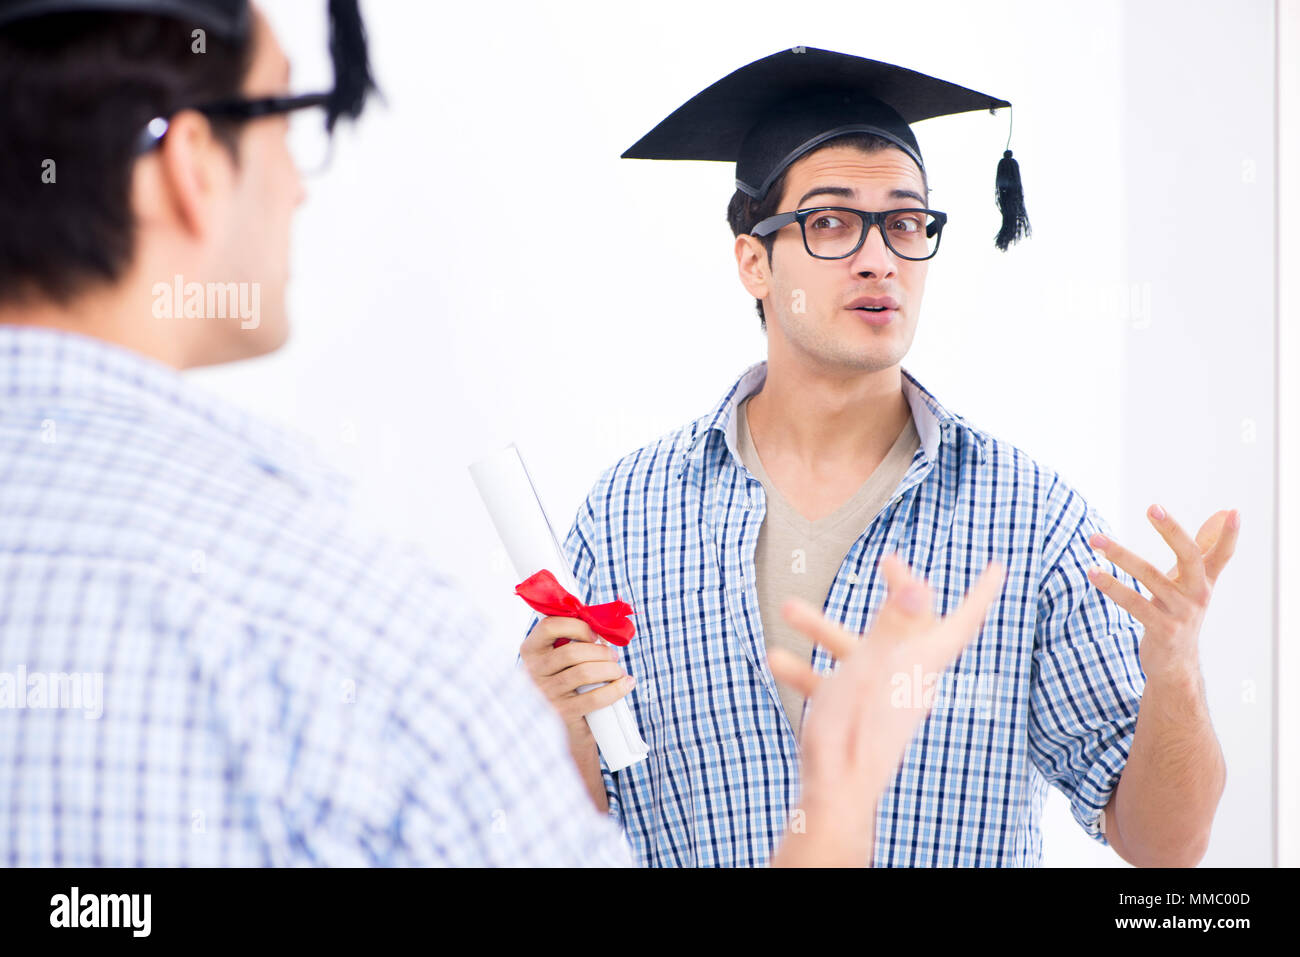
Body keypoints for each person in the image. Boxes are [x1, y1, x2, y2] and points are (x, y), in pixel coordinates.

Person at [0, 1, 1002, 867]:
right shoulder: (331, 608)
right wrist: (839, 799)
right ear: (190, 169)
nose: (300, 185)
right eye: (292, 121)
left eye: (906, 222)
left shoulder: (1024, 511)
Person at [521, 47, 1238, 867]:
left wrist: (1176, 673)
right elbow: (573, 829)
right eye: (830, 222)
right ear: (753, 260)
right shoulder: (630, 516)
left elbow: (1165, 845)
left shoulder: (1032, 521)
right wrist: (558, 717)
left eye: (904, 221)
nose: (878, 257)